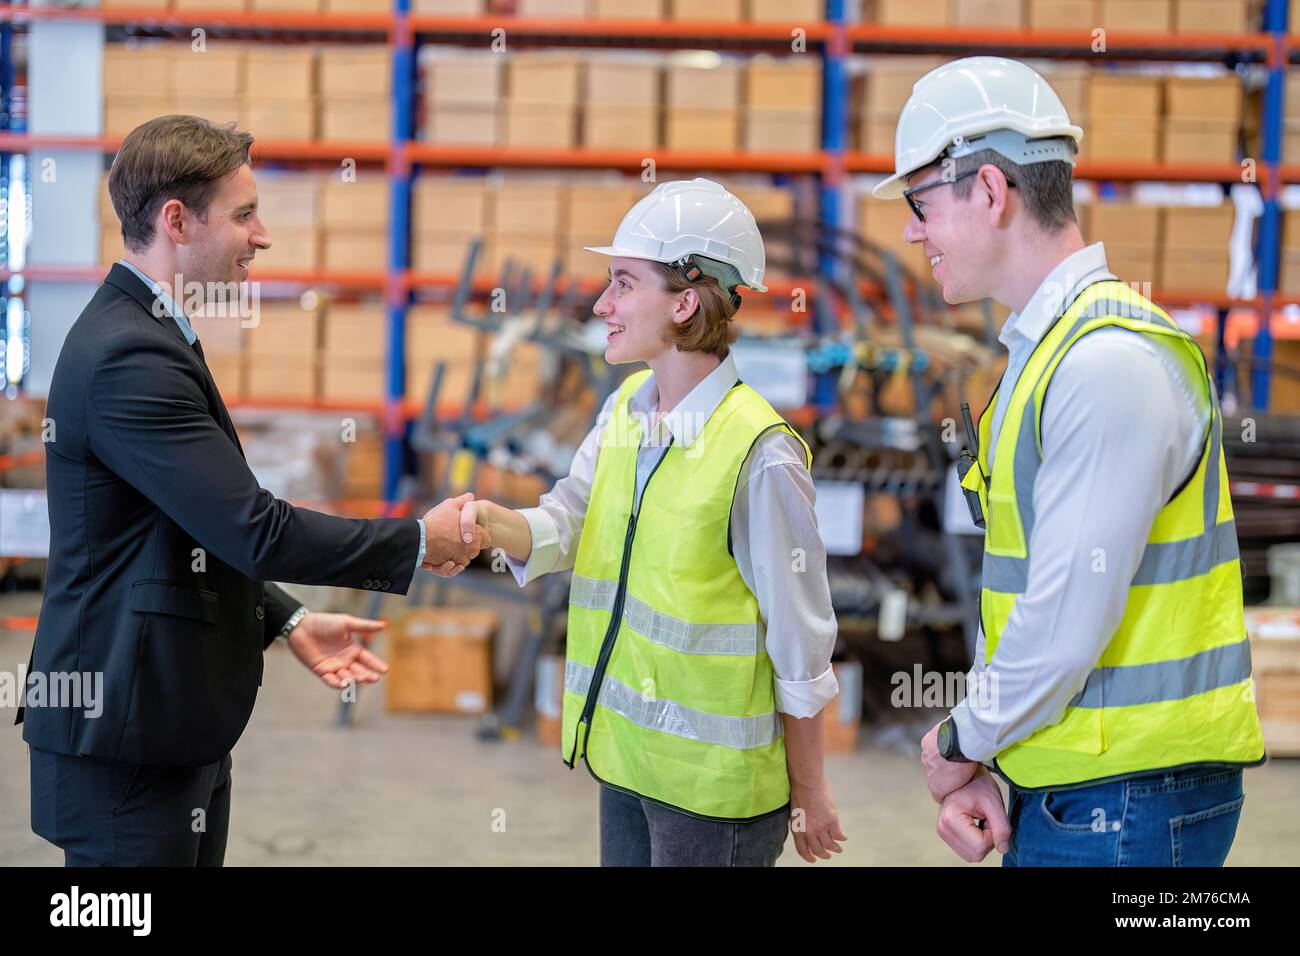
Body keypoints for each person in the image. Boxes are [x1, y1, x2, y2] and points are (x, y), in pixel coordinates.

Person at [19, 115, 488, 866]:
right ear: (177, 221)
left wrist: (287, 619)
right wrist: (422, 541)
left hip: (166, 721)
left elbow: (184, 530)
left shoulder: (149, 333)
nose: (262, 235)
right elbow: (254, 528)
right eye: (243, 215)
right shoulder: (129, 356)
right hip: (128, 733)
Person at [872, 57, 1266, 866]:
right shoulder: (1046, 353)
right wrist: (989, 750)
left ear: (989, 191)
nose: (911, 231)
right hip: (1088, 787)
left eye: (920, 202)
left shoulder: (1102, 363)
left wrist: (959, 739)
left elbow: (1060, 624)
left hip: (1124, 802)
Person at [453, 178, 845, 866]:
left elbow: (801, 643)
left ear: (685, 301)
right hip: (628, 756)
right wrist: (486, 522)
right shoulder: (629, 408)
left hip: (713, 792)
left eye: (624, 284)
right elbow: (566, 522)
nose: (602, 305)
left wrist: (809, 785)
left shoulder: (760, 453)